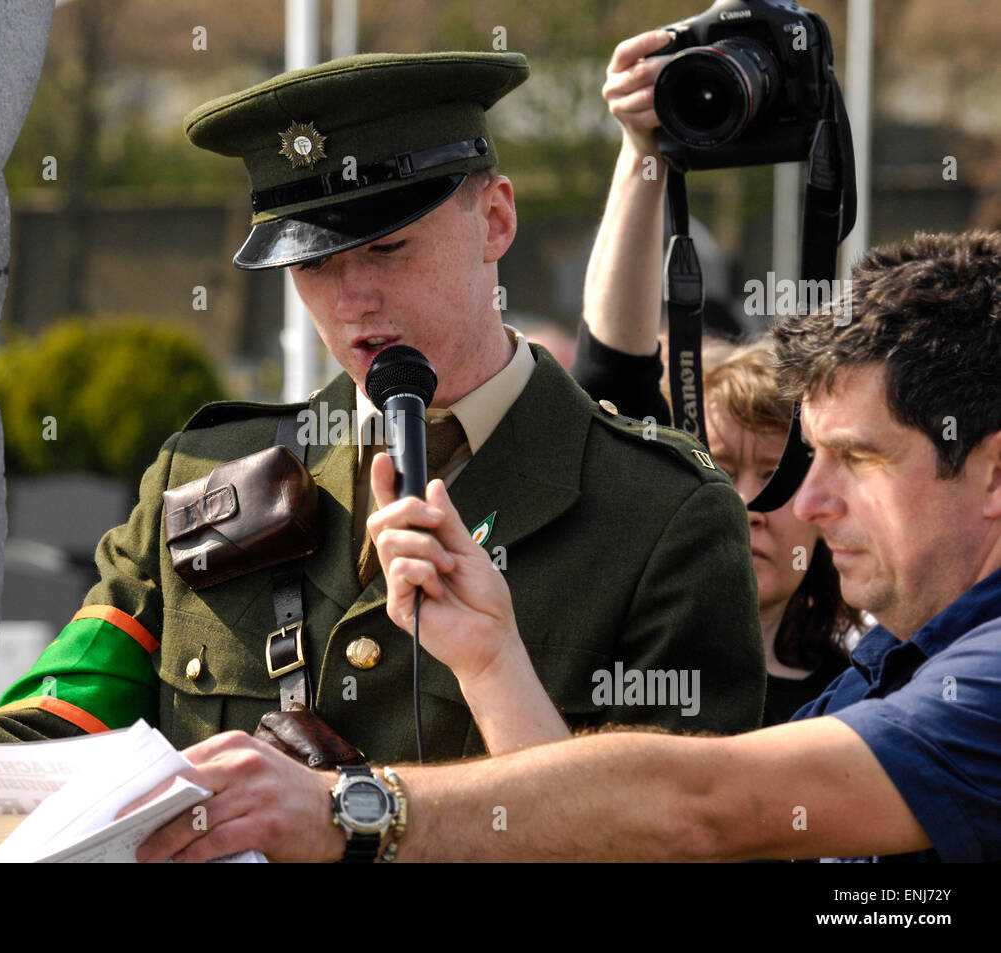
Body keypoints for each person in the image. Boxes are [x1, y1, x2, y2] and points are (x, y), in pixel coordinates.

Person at [0, 53, 765, 787]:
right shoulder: (204, 474)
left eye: (387, 248)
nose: (350, 300)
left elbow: (674, 833)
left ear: (497, 220)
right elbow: (54, 726)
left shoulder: (661, 516)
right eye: (312, 264)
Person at [135, 229, 1001, 864]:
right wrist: (492, 663)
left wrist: (346, 808)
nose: (809, 500)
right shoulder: (894, 661)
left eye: (859, 458)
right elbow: (624, 844)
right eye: (316, 261)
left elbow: (698, 809)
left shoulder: (985, 678)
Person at [571, 29, 862, 725]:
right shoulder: (618, 669)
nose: (748, 504)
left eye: (779, 471)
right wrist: (641, 153)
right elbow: (611, 368)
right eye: (720, 465)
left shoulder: (864, 700)